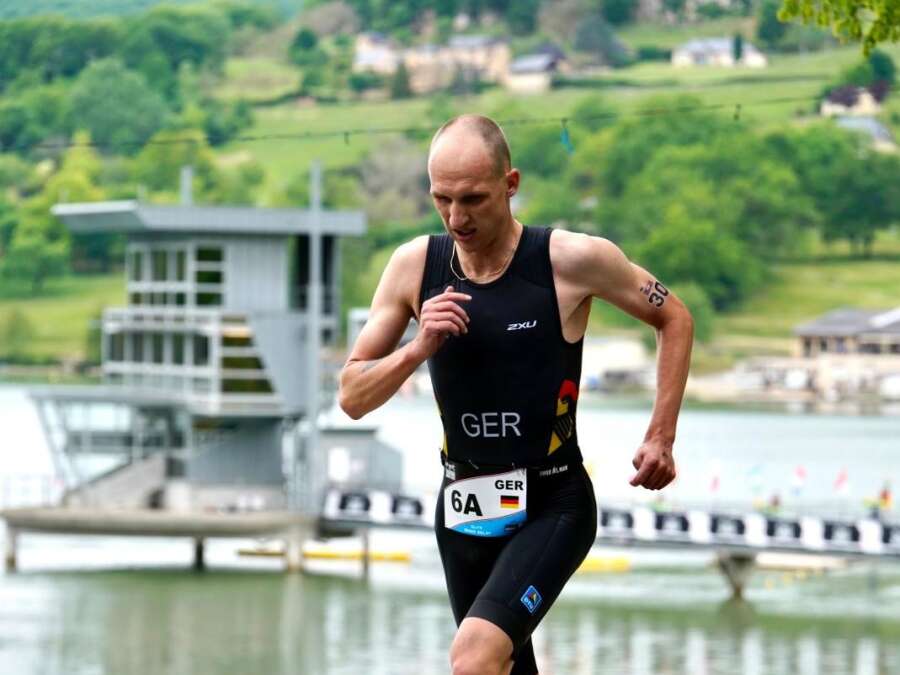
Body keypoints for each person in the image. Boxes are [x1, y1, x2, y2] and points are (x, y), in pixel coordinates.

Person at [339, 114, 693, 675]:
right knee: (500, 666)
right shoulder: (414, 267)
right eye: (442, 199)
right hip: (464, 504)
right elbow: (352, 396)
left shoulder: (569, 261)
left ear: (511, 184)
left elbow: (673, 316)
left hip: (553, 502)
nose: (457, 217)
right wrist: (417, 346)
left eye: (474, 199)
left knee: (474, 658)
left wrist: (661, 435)